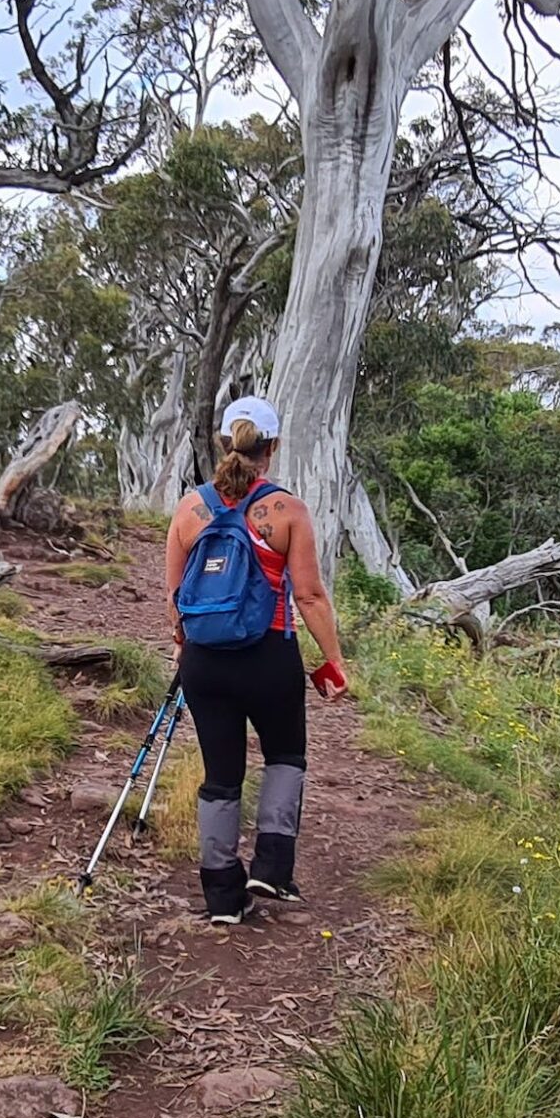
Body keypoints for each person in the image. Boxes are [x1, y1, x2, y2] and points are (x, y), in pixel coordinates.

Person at [165, 395, 348, 925]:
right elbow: (310, 596)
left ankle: (222, 895)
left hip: (204, 661)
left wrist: (183, 647)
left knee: (220, 774)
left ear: (225, 443)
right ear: (274, 447)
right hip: (269, 656)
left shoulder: (188, 508)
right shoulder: (287, 510)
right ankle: (271, 864)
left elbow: (175, 594)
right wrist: (333, 660)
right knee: (285, 754)